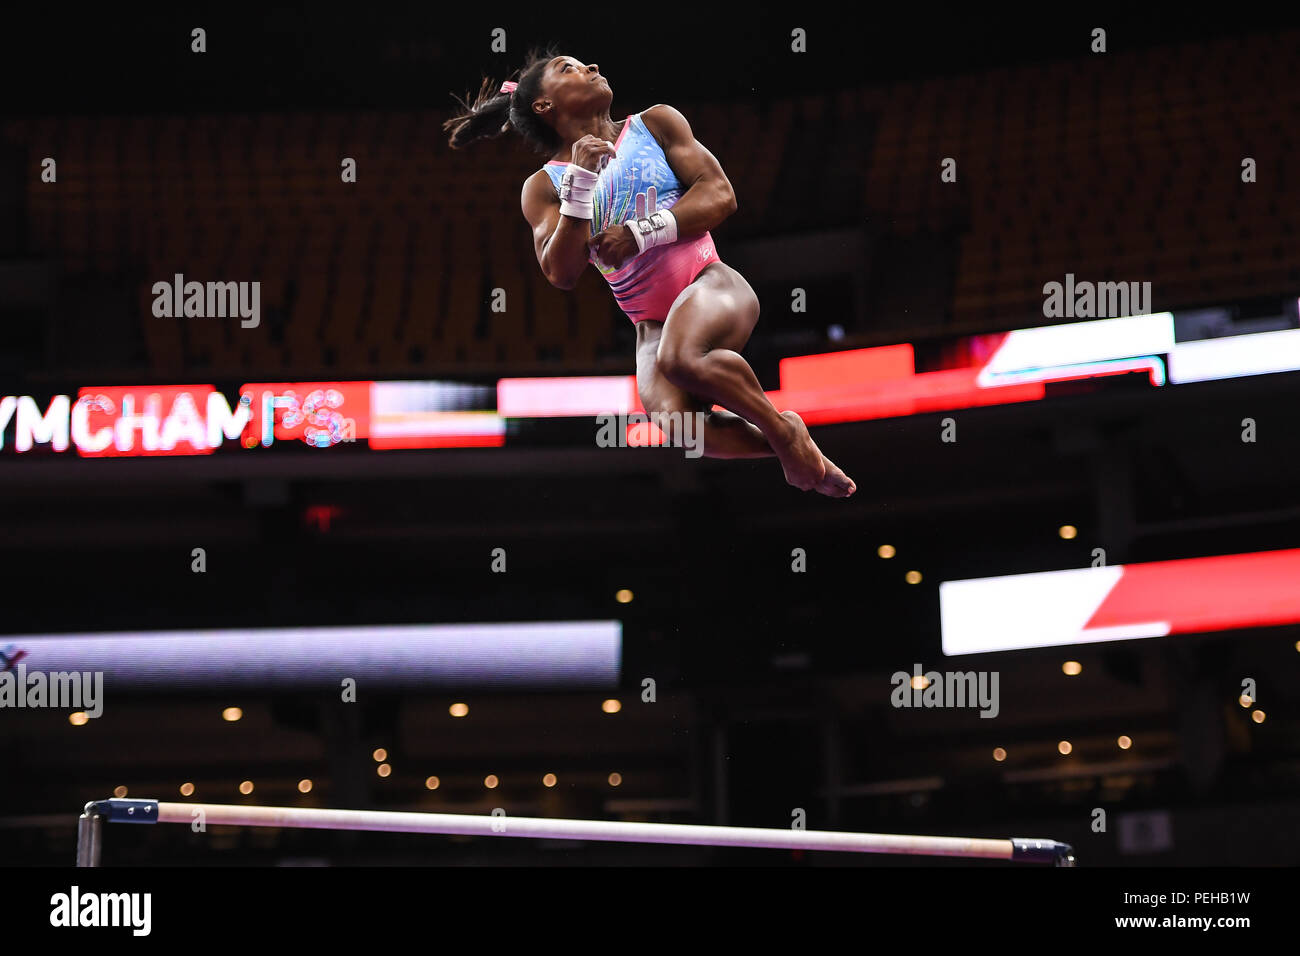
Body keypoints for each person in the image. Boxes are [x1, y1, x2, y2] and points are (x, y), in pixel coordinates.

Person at [444, 48, 855, 496]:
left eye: (587, 63)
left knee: (681, 359)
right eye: (570, 68)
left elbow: (720, 194)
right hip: (652, 325)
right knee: (686, 432)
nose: (593, 67)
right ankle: (786, 436)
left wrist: (640, 233)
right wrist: (579, 182)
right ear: (545, 105)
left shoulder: (655, 124)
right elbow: (560, 272)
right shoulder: (543, 185)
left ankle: (788, 440)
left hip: (710, 282)